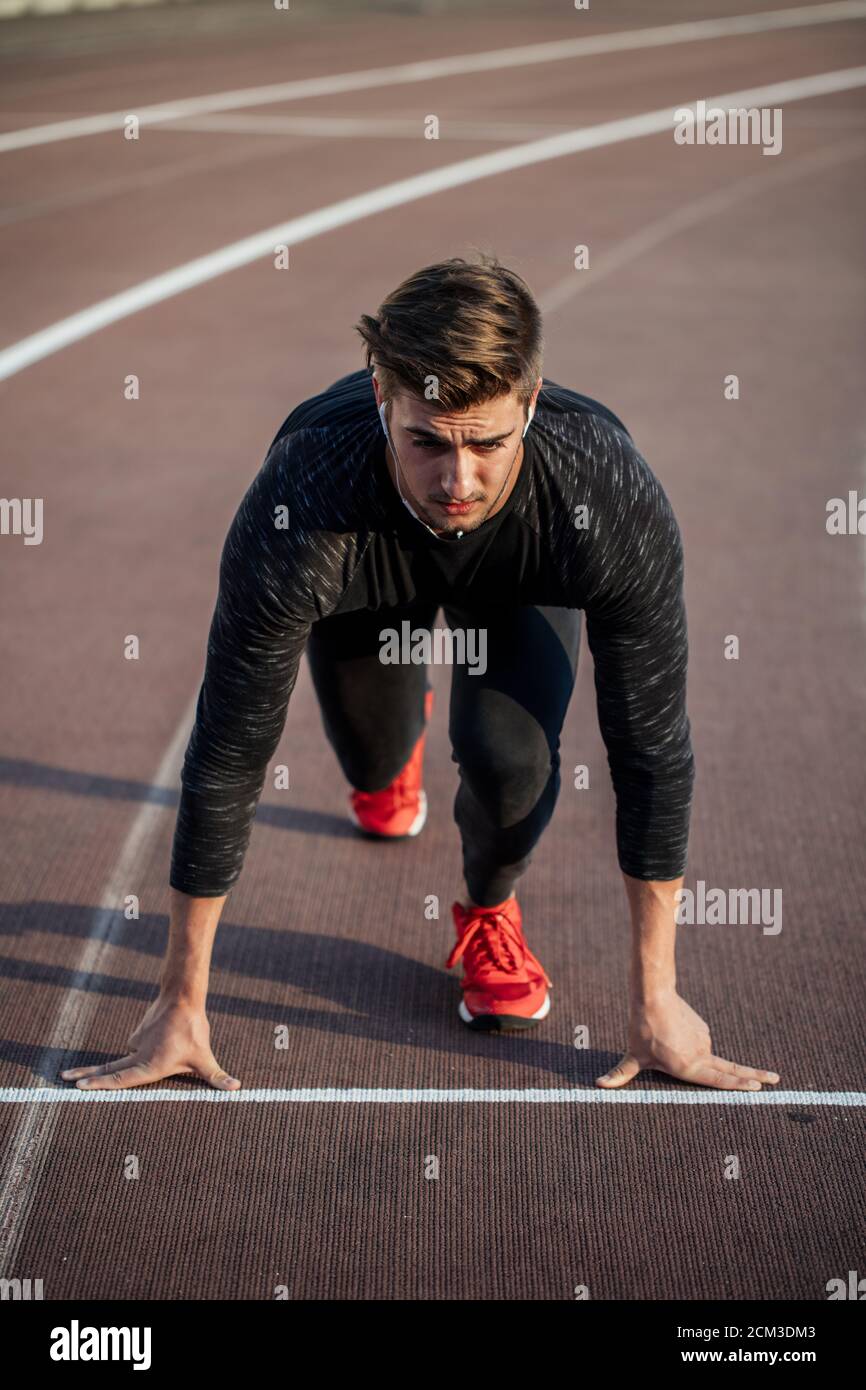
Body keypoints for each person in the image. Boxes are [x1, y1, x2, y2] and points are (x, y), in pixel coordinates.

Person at [61, 255, 779, 1095]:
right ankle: (391, 756)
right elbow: (228, 748)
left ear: (533, 405)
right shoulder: (304, 496)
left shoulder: (606, 496)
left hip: (519, 584)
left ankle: (488, 912)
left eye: (488, 444)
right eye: (427, 441)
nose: (457, 480)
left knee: (510, 762)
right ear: (380, 399)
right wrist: (180, 1001)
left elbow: (652, 748)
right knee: (373, 774)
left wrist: (658, 1000)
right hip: (367, 573)